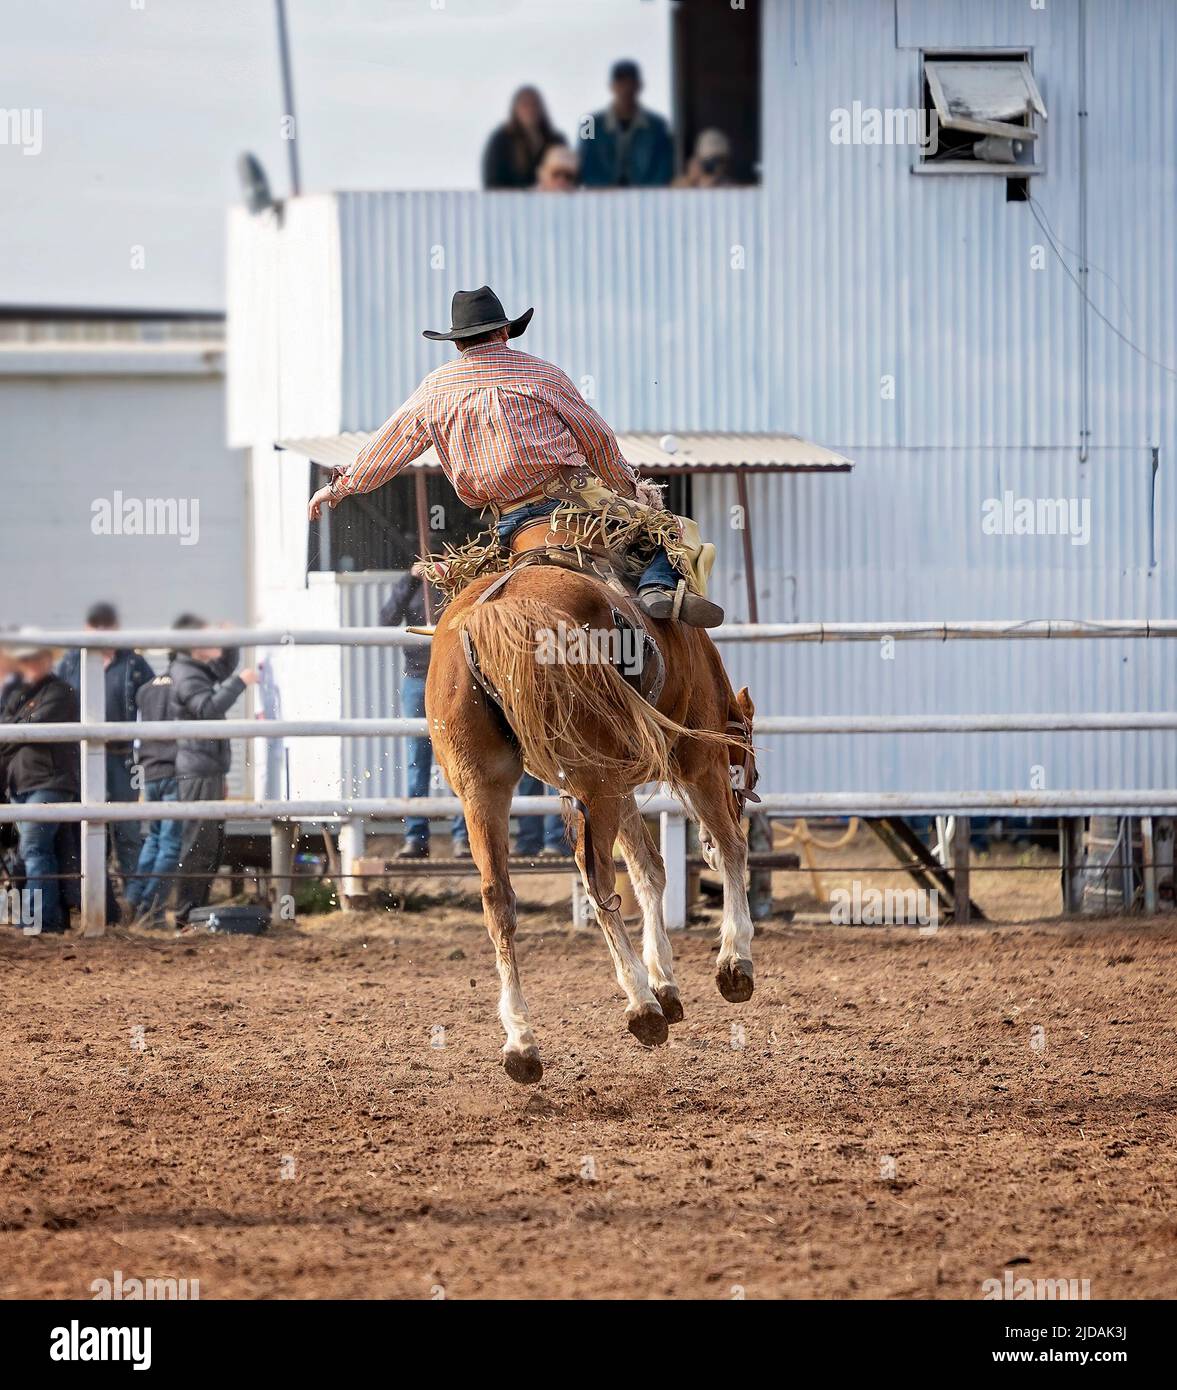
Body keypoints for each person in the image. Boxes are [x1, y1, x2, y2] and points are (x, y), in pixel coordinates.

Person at [309, 285, 722, 628]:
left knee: (468, 583)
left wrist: (339, 487)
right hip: (572, 501)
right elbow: (596, 442)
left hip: (507, 519)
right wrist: (631, 491)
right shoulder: (541, 373)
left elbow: (390, 448)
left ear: (457, 343)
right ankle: (655, 588)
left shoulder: (434, 389)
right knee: (673, 529)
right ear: (504, 333)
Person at [57, 602, 154, 898]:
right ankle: (96, 899)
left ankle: (134, 902)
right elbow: (59, 701)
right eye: (94, 629)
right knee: (88, 829)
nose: (100, 634)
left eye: (105, 628)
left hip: (123, 757)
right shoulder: (72, 661)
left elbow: (151, 700)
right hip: (82, 758)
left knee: (127, 831)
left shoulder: (133, 663)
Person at [169, 616, 257, 925]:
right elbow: (207, 709)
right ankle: (185, 914)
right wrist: (241, 683)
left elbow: (223, 666)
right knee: (198, 844)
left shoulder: (194, 669)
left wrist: (231, 639)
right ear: (194, 645)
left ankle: (193, 913)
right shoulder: (188, 674)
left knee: (209, 845)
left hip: (206, 768)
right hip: (200, 769)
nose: (216, 644)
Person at [380, 564, 470, 859]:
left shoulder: (457, 581)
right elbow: (386, 619)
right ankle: (416, 836)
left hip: (453, 675)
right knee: (418, 759)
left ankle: (463, 836)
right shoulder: (413, 585)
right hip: (419, 676)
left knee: (459, 756)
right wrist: (410, 579)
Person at [0, 641, 79, 933]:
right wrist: (19, 727)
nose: (31, 665)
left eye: (35, 659)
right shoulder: (21, 694)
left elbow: (22, 729)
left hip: (48, 780)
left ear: (46, 660)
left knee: (34, 849)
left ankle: (39, 921)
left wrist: (18, 727)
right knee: (33, 850)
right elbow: (12, 731)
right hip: (26, 782)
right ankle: (46, 919)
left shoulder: (61, 692)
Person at [124, 647, 182, 926]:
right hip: (175, 769)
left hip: (150, 770)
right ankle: (152, 908)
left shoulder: (145, 690)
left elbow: (137, 735)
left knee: (153, 840)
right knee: (170, 845)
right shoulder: (185, 688)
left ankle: (133, 898)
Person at [579, 59, 674, 189]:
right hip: (600, 198)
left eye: (631, 83)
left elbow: (665, 168)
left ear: (639, 86)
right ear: (611, 86)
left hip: (647, 199)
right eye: (621, 83)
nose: (626, 88)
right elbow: (583, 163)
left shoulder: (659, 125)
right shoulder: (588, 123)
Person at [482, 86, 567, 190]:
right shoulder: (501, 140)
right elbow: (492, 182)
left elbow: (569, 174)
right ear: (515, 109)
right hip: (510, 202)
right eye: (525, 105)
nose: (530, 110)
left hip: (551, 201)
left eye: (534, 105)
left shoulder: (555, 140)